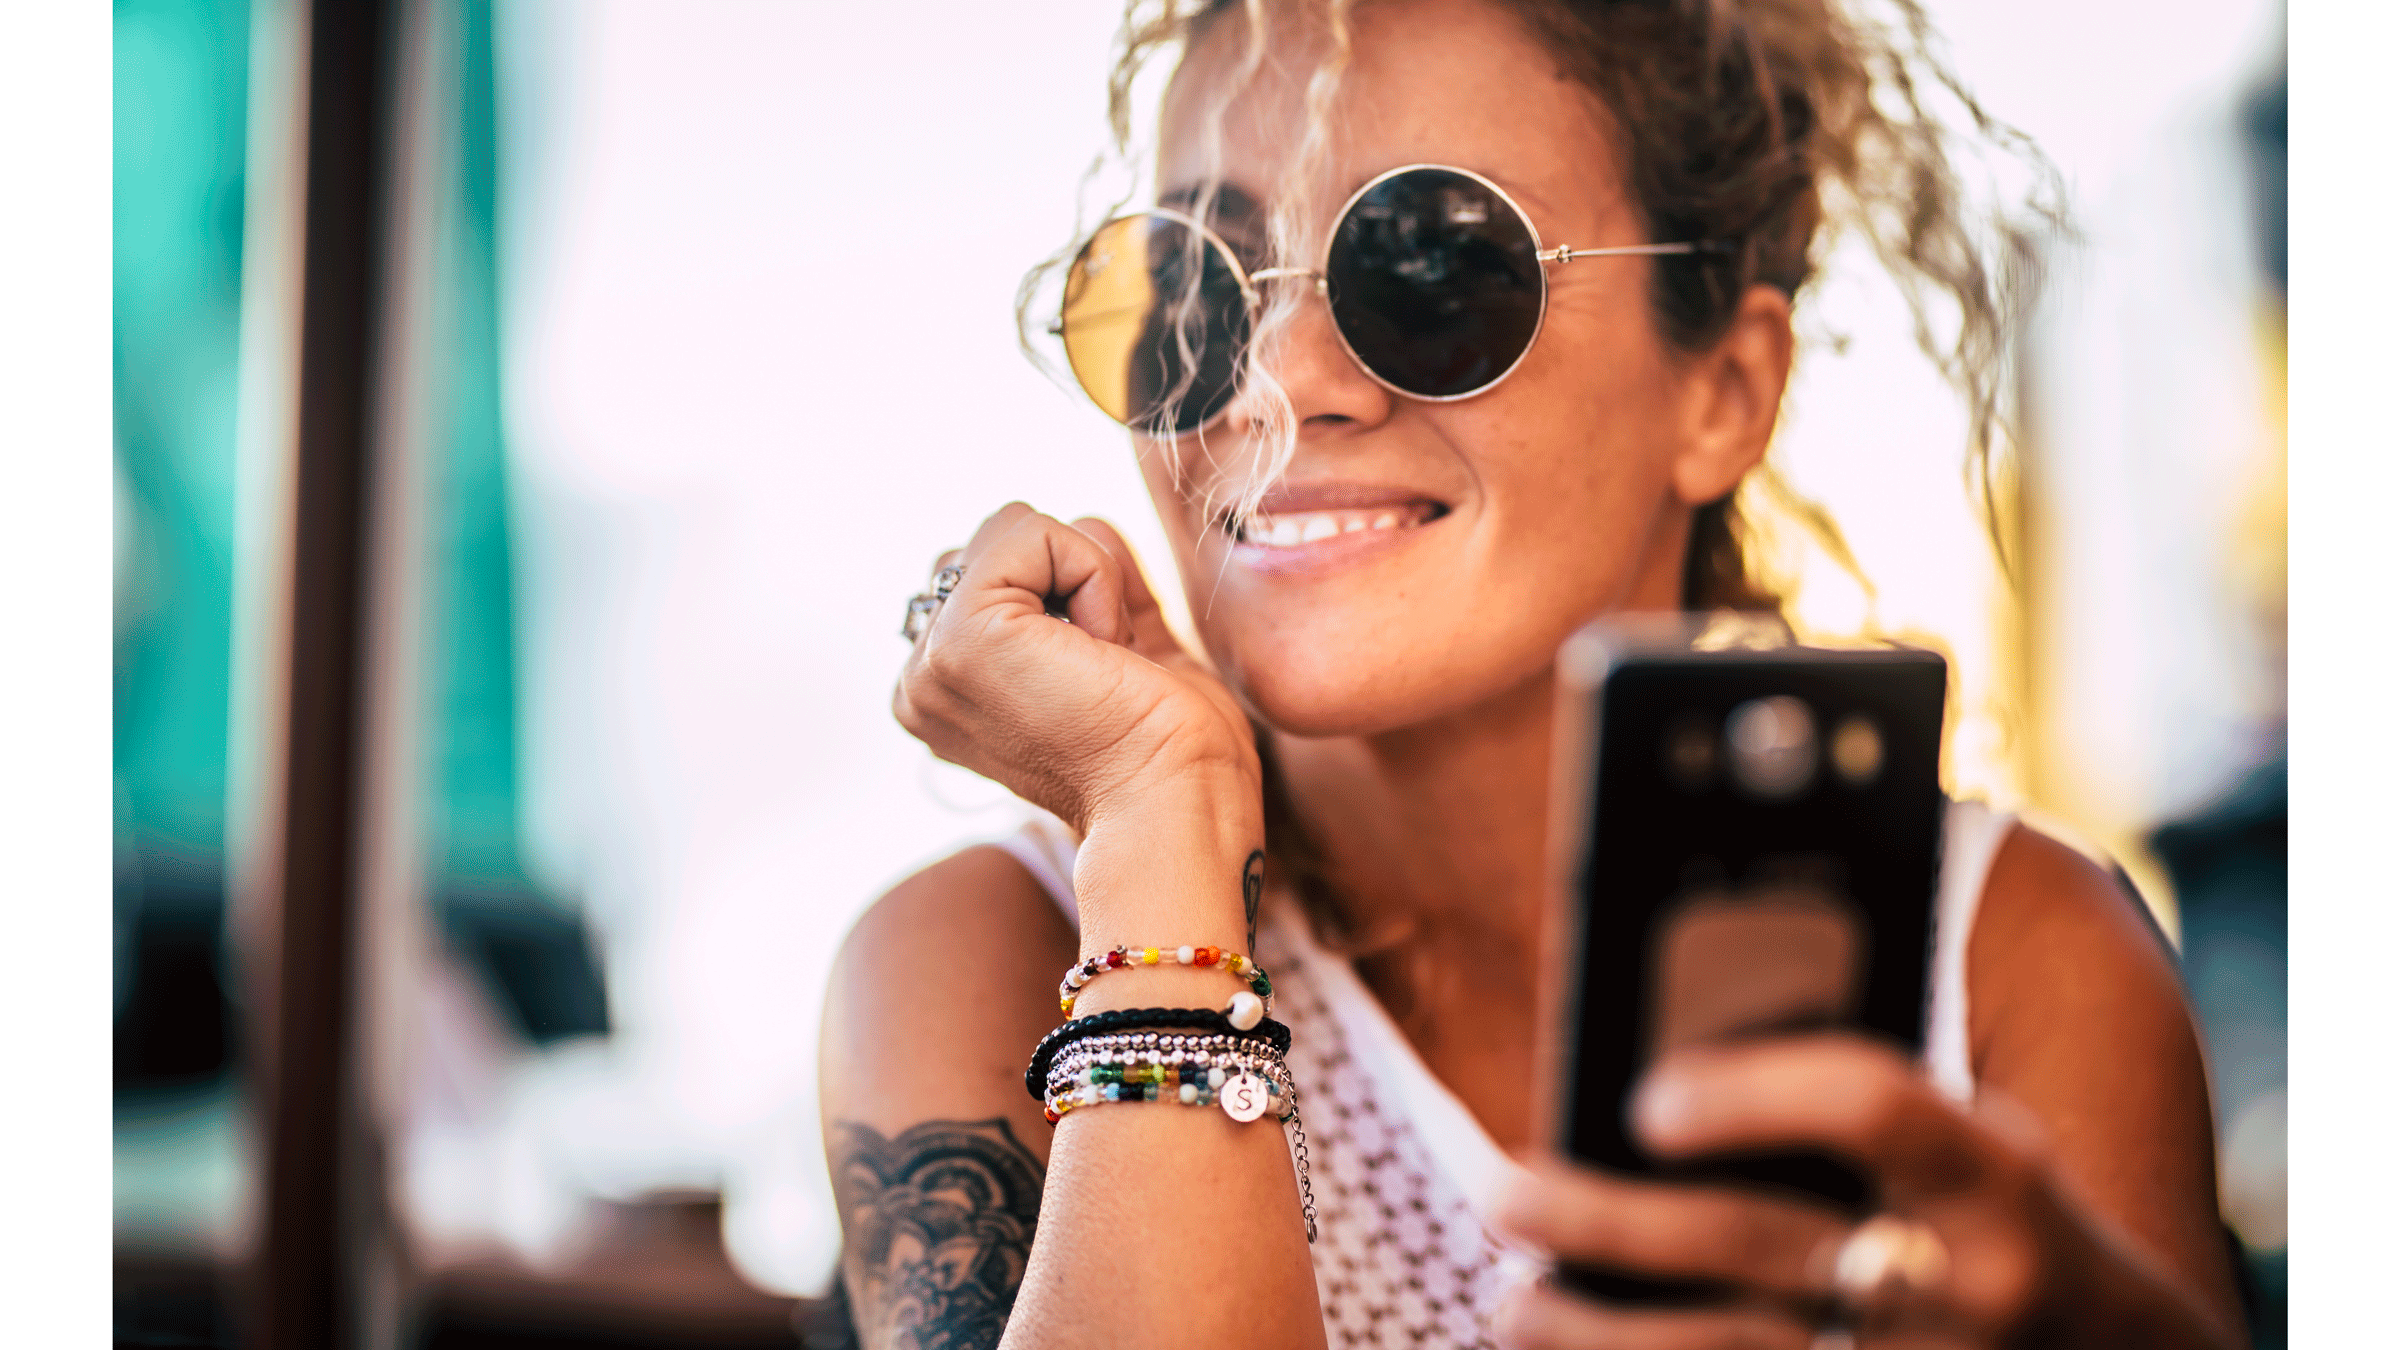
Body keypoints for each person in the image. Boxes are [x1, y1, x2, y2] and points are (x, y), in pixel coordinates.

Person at [822, 0, 2250, 1346]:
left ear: (1724, 391)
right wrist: (1161, 828)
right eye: (1196, 288)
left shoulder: (2007, 965)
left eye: (1433, 266)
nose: (1281, 378)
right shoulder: (993, 961)